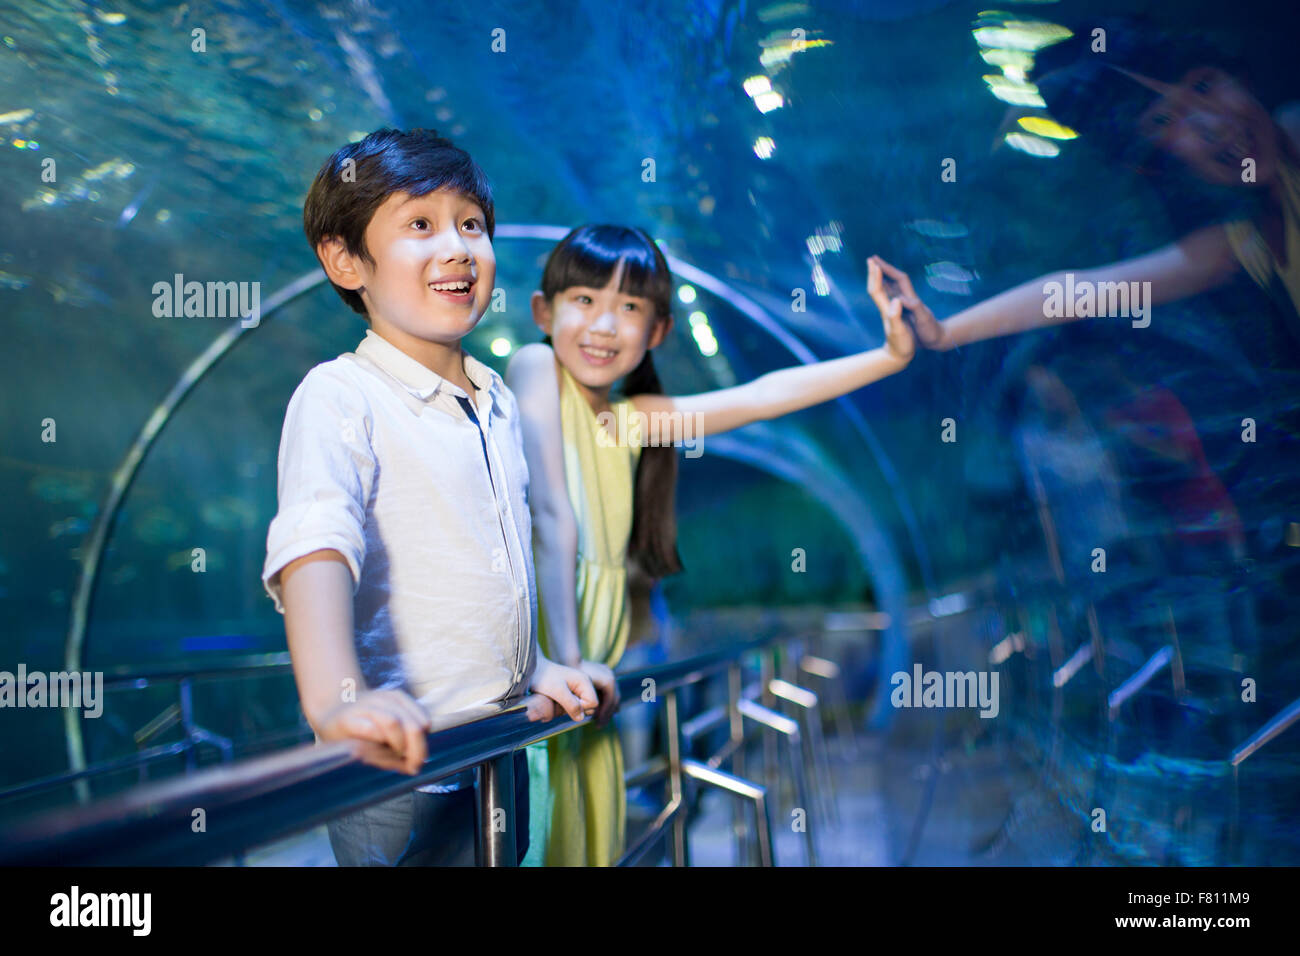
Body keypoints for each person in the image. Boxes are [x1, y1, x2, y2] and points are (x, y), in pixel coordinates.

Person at [506, 224, 917, 865]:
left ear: (658, 331)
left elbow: (761, 397)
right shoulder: (535, 367)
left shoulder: (631, 423)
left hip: (587, 701)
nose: (604, 325)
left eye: (630, 307)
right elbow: (551, 514)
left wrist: (888, 357)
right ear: (543, 311)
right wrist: (570, 661)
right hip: (551, 689)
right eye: (584, 300)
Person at [261, 129, 597, 866]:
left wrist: (535, 667)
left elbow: (496, 562)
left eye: (470, 224)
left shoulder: (496, 398)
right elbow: (317, 545)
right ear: (345, 260)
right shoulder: (341, 394)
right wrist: (338, 702)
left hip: (497, 745)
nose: (457, 248)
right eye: (420, 224)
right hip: (402, 768)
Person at [871, 19, 1300, 354]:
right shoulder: (1242, 242)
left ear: (1239, 75)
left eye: (1204, 85)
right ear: (1159, 164)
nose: (1213, 125)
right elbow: (1081, 292)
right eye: (1163, 120)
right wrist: (944, 332)